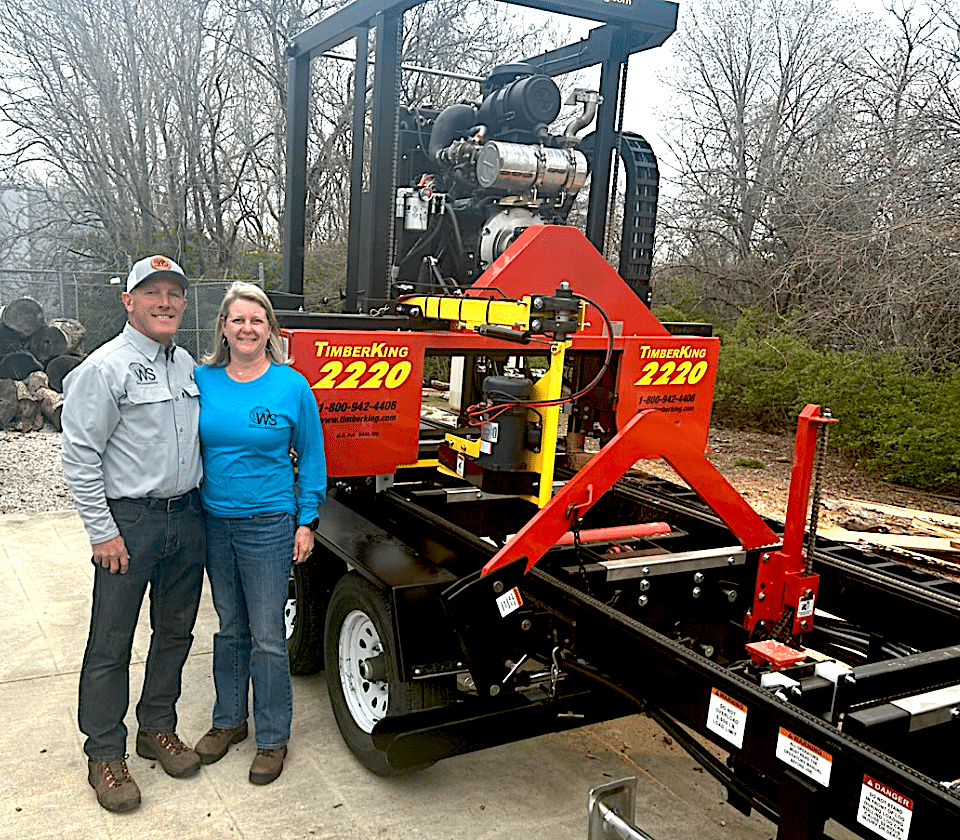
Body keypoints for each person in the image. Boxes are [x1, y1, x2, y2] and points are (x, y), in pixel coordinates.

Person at [61, 255, 205, 813]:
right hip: (130, 524)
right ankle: (104, 753)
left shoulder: (185, 363)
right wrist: (102, 532)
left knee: (174, 633)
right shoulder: (105, 368)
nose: (164, 302)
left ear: (184, 303)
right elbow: (80, 456)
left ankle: (156, 728)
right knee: (111, 643)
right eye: (151, 292)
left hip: (186, 518)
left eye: (173, 293)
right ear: (128, 302)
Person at [193, 281, 325, 785]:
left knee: (267, 635)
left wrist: (306, 521)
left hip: (269, 523)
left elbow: (312, 457)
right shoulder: (202, 380)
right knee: (229, 626)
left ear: (270, 328)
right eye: (238, 320)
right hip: (214, 520)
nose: (247, 328)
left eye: (256, 319)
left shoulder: (291, 386)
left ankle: (272, 737)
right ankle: (230, 720)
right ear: (223, 328)